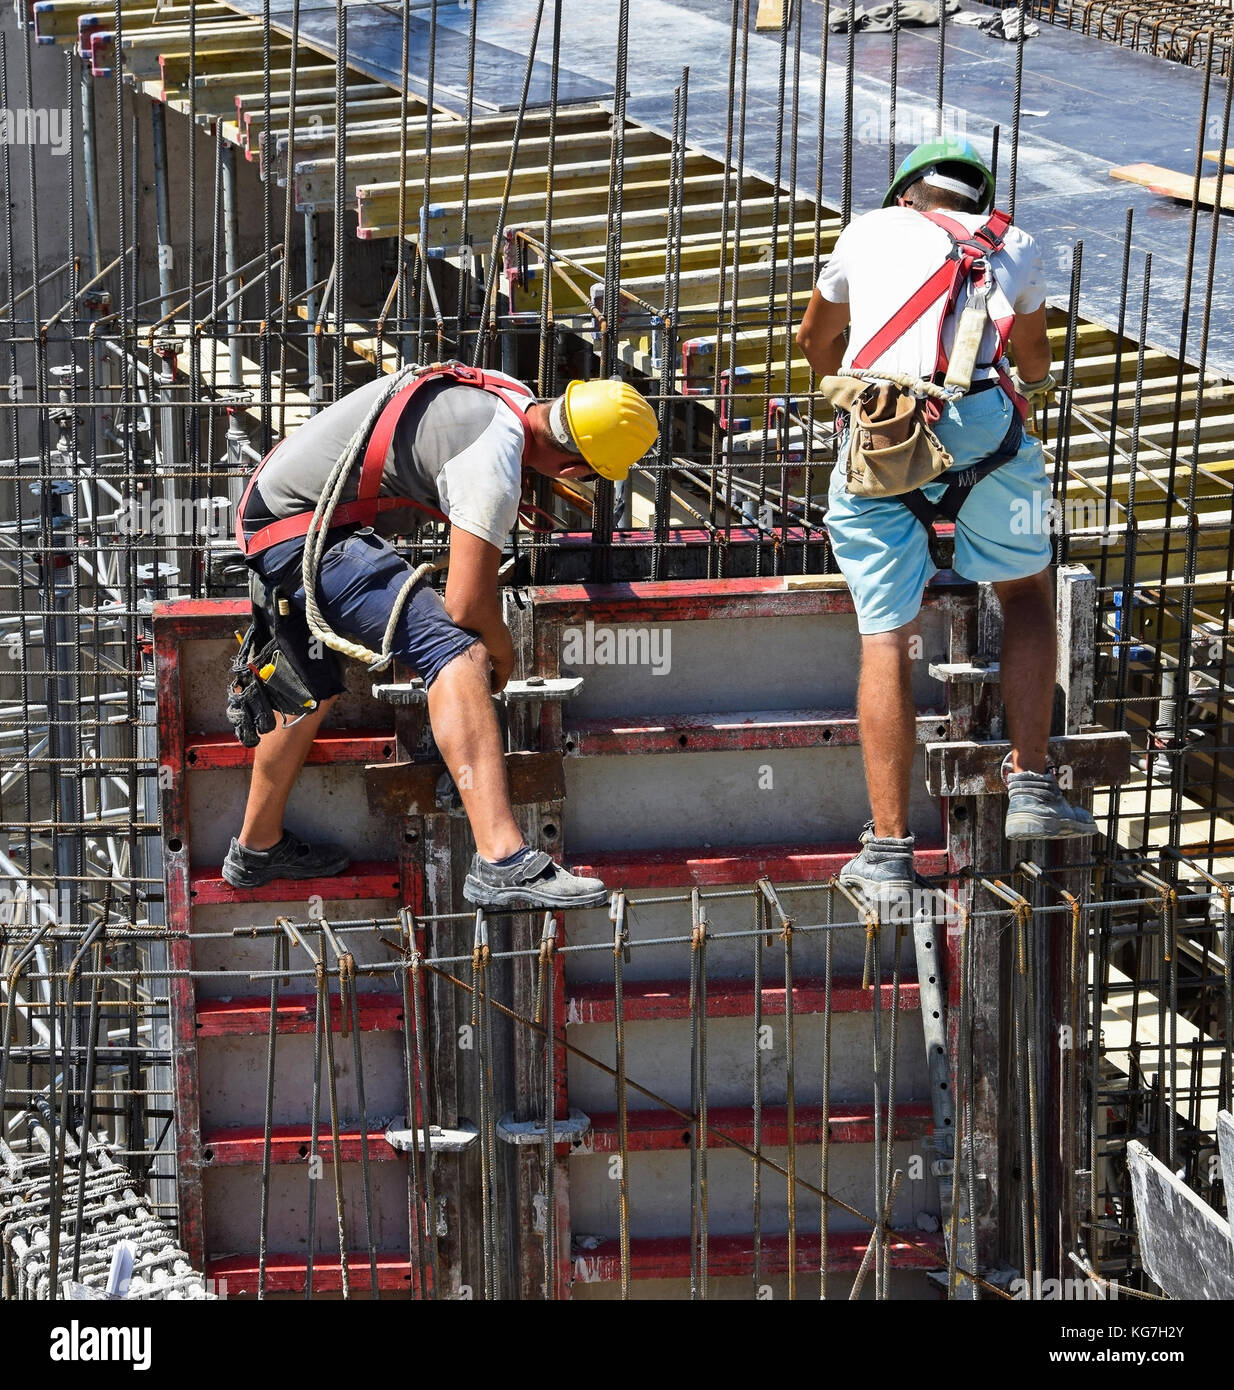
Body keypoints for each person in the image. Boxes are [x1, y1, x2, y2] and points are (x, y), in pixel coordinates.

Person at [221, 363, 658, 910]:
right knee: (458, 653)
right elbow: (468, 606)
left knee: (307, 686)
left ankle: (255, 849)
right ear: (574, 467)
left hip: (279, 513)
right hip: (300, 530)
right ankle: (502, 858)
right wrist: (502, 653)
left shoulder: (509, 392)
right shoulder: (492, 461)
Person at [795, 138, 1096, 903]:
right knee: (1026, 592)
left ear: (906, 196)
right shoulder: (1013, 243)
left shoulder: (866, 231)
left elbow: (813, 341)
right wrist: (1029, 379)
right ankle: (1031, 781)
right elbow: (1032, 359)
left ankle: (891, 848)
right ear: (975, 203)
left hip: (883, 436)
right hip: (988, 435)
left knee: (885, 635)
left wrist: (854, 386)